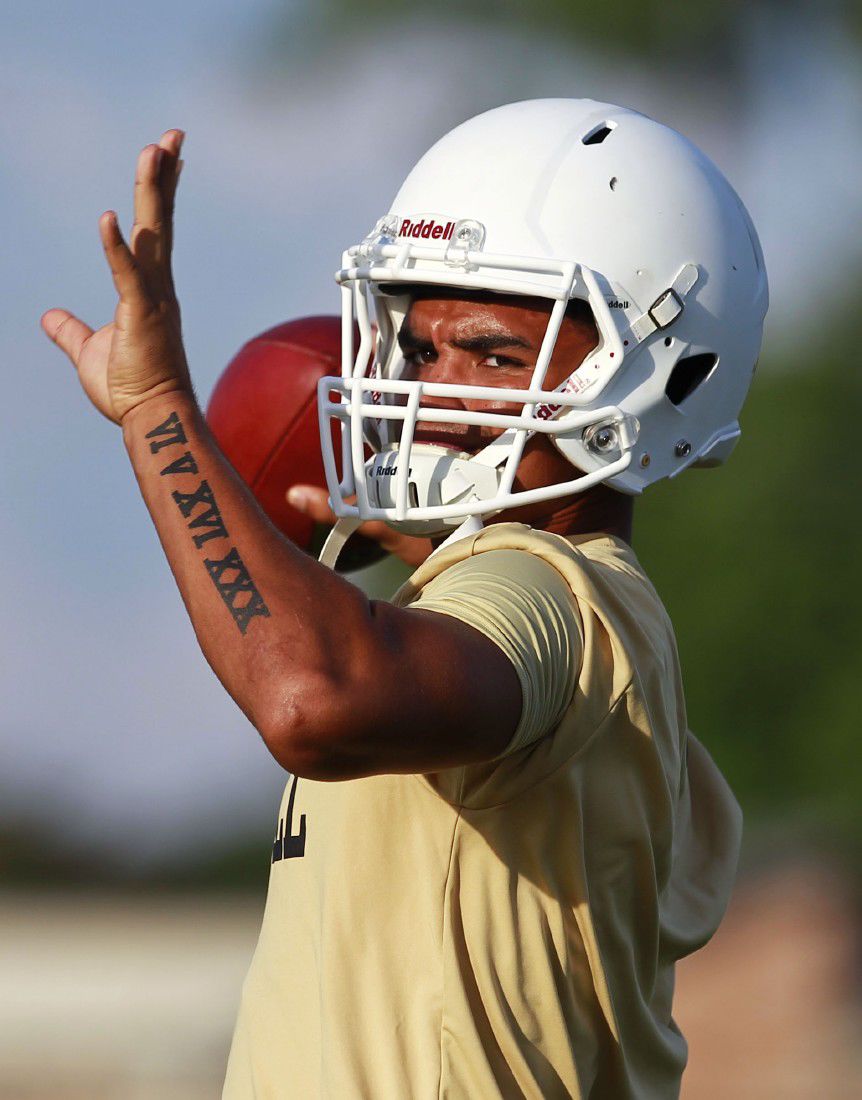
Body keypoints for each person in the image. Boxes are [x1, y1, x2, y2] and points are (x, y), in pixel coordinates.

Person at [42, 99, 767, 1098]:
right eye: (422, 352)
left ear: (658, 370)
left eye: (494, 353)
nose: (435, 393)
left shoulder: (547, 586)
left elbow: (311, 697)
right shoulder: (576, 617)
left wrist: (158, 410)